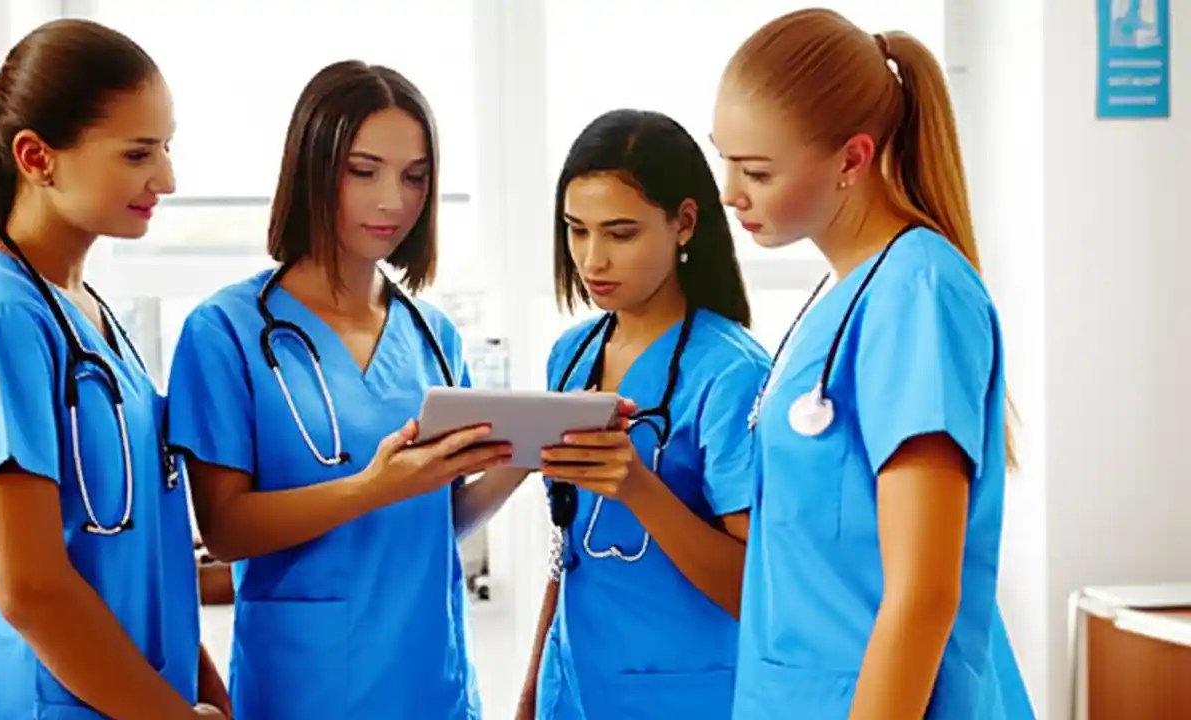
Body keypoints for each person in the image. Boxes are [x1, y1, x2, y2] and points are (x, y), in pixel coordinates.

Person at [165, 60, 524, 720]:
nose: (394, 200)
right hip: (304, 689)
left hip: (432, 685)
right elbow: (225, 529)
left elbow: (435, 519)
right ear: (312, 166)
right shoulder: (227, 331)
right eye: (364, 171)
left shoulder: (434, 334)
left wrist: (528, 458)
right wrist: (373, 487)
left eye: (415, 177)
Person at [711, 9, 1034, 719]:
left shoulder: (917, 291)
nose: (730, 191)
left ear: (852, 159)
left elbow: (925, 591)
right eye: (725, 159)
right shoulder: (842, 292)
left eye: (758, 171)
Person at [0, 19, 228, 720]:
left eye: (167, 147)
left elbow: (142, 560)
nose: (167, 179)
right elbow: (30, 587)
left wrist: (208, 695)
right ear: (37, 157)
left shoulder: (90, 318)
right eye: (138, 153)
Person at [516, 109, 772, 719]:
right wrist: (532, 688)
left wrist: (637, 487)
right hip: (572, 689)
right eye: (577, 230)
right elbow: (568, 539)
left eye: (620, 233)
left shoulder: (732, 374)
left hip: (684, 694)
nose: (592, 259)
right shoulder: (571, 355)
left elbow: (755, 587)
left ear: (684, 222)